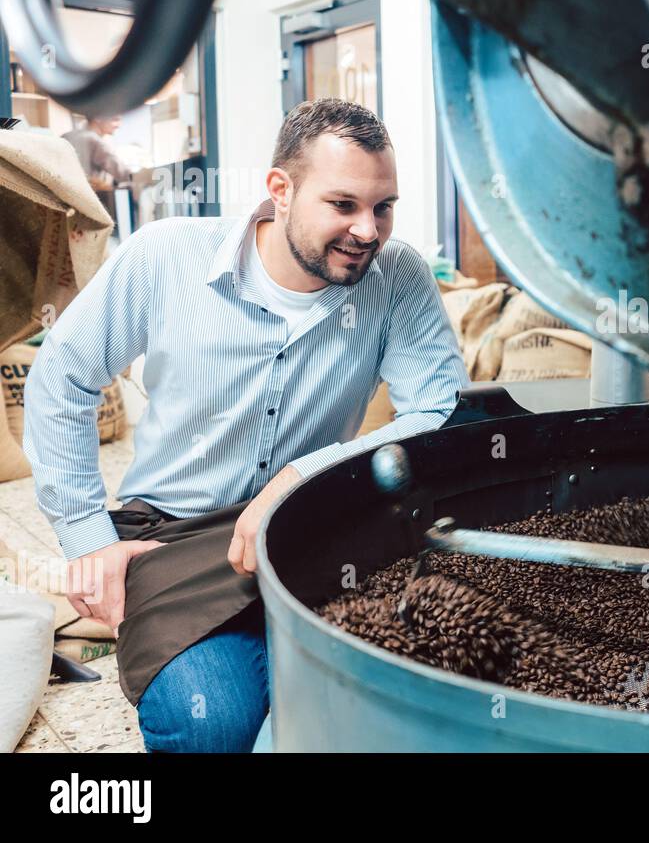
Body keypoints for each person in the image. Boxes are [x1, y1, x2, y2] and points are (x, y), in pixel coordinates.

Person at [23, 98, 469, 751]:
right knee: (213, 723)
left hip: (323, 523)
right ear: (280, 191)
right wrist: (88, 540)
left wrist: (300, 476)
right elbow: (62, 373)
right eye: (343, 205)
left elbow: (440, 412)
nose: (369, 230)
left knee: (410, 694)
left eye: (384, 206)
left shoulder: (398, 277)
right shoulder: (166, 256)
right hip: (175, 543)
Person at [62, 115, 133, 192]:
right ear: (98, 118)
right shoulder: (94, 140)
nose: (118, 125)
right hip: (87, 196)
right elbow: (122, 172)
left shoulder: (66, 136)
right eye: (115, 120)